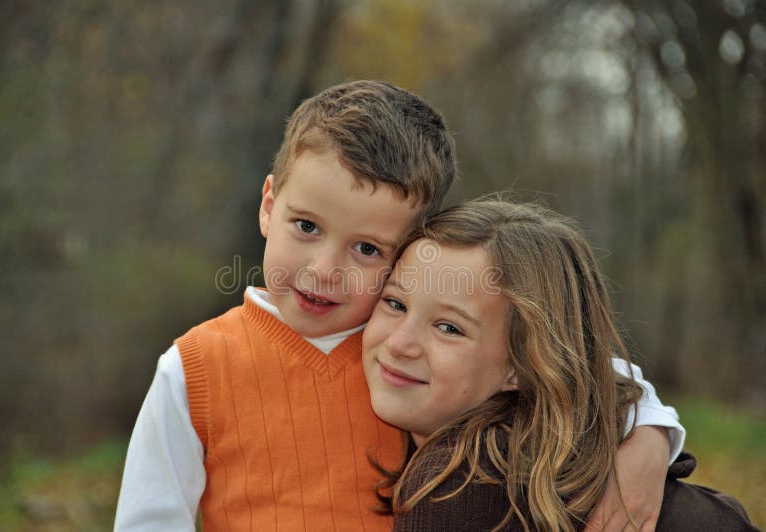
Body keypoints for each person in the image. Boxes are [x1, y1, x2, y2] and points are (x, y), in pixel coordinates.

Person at [114, 81, 682, 531]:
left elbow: (575, 370)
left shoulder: (402, 354)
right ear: (269, 205)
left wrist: (649, 435)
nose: (324, 271)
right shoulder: (193, 370)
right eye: (306, 226)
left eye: (367, 249)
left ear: (411, 253)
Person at [362, 195, 758, 532]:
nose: (399, 344)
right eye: (395, 303)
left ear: (521, 366)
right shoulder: (548, 441)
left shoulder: (459, 486)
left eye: (449, 328)